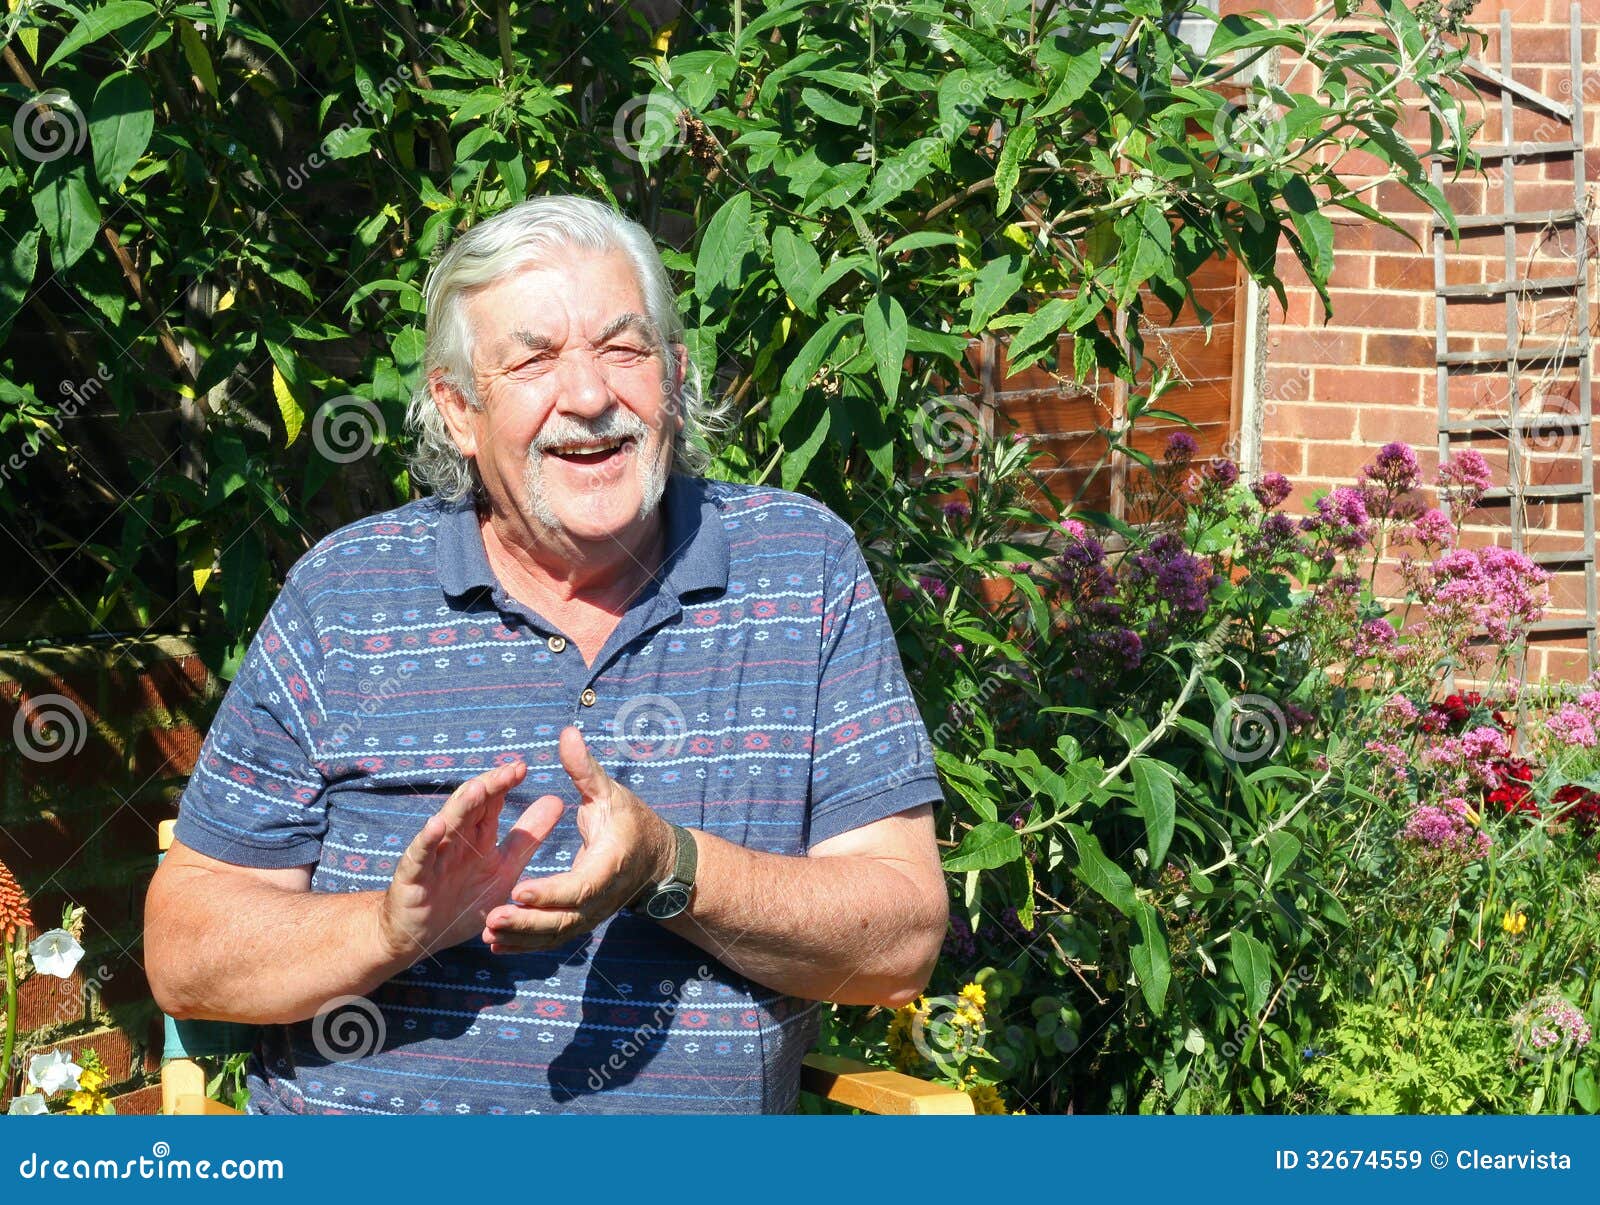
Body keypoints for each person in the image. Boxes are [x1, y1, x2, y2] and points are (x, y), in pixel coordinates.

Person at [144, 195, 949, 1114]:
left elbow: (900, 941)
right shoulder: (344, 598)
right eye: (533, 358)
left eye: (624, 347)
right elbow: (186, 955)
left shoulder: (800, 570)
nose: (591, 396)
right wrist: (394, 927)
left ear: (675, 374)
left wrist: (672, 868)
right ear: (458, 409)